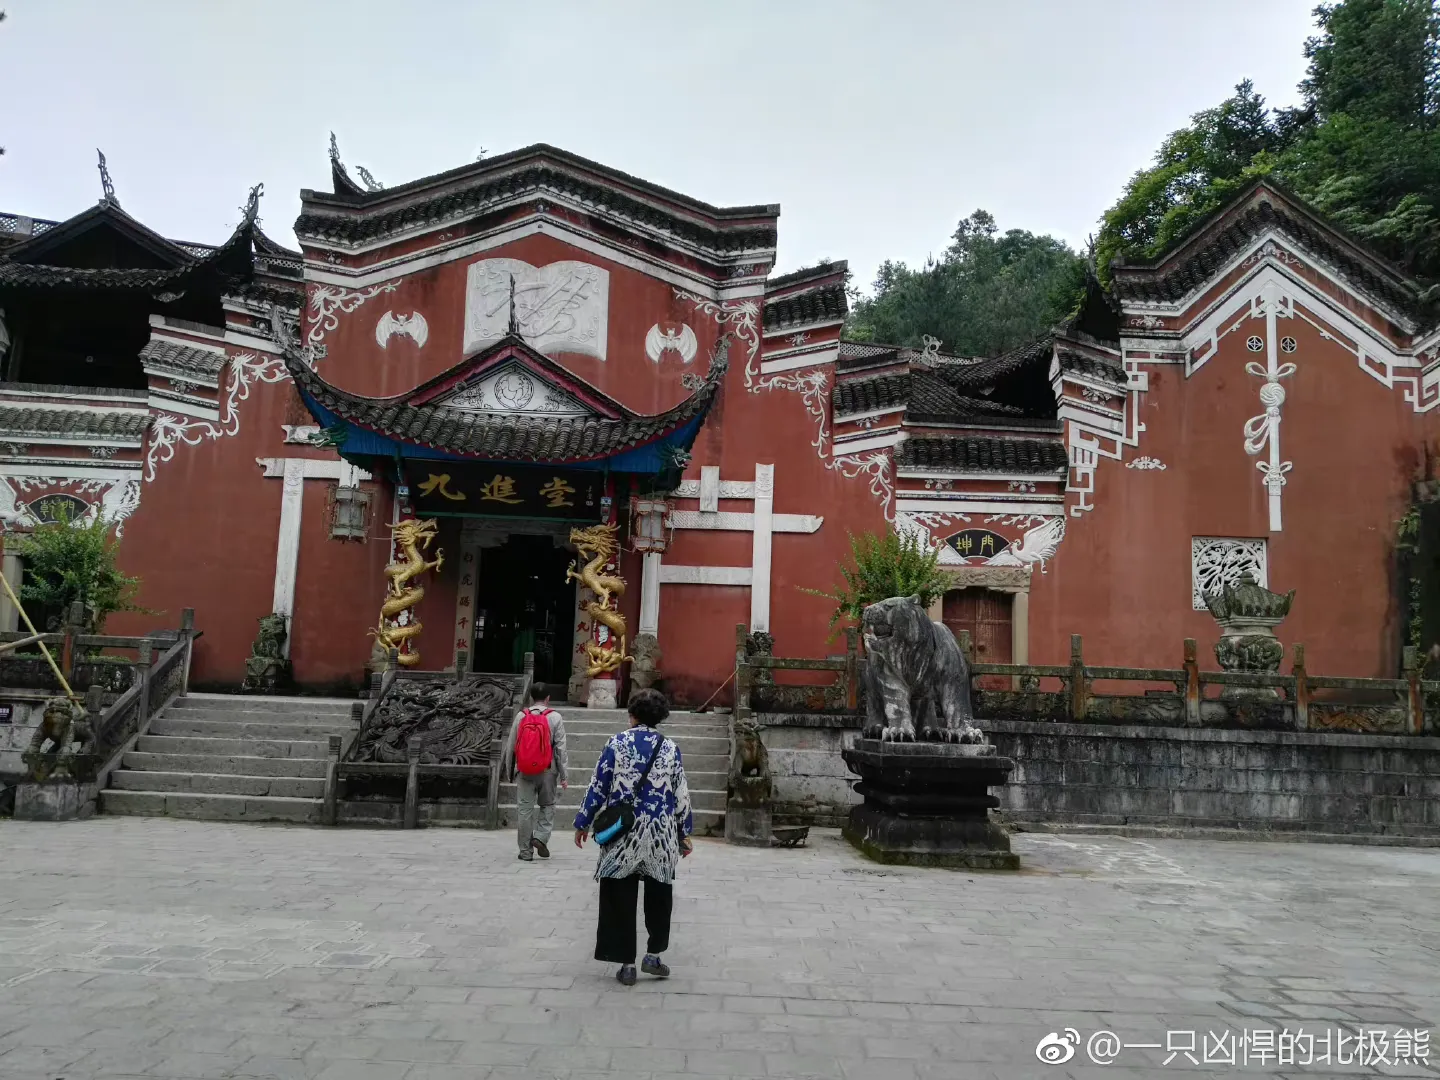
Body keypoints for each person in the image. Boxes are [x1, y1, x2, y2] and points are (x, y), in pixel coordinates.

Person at [573, 687, 693, 986]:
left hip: (623, 831)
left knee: (619, 894)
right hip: (660, 830)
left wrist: (583, 821)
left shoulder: (616, 743)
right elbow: (680, 794)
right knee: (659, 894)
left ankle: (626, 964)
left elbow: (598, 785)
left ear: (632, 714)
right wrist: (684, 833)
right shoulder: (670, 748)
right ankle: (653, 955)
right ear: (660, 717)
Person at [500, 681, 568, 861]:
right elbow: (560, 749)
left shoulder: (521, 716)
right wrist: (564, 775)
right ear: (548, 698)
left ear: (531, 697)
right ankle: (540, 837)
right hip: (548, 770)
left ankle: (525, 852)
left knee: (524, 810)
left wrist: (510, 771)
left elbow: (511, 746)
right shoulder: (555, 717)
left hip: (524, 770)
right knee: (548, 805)